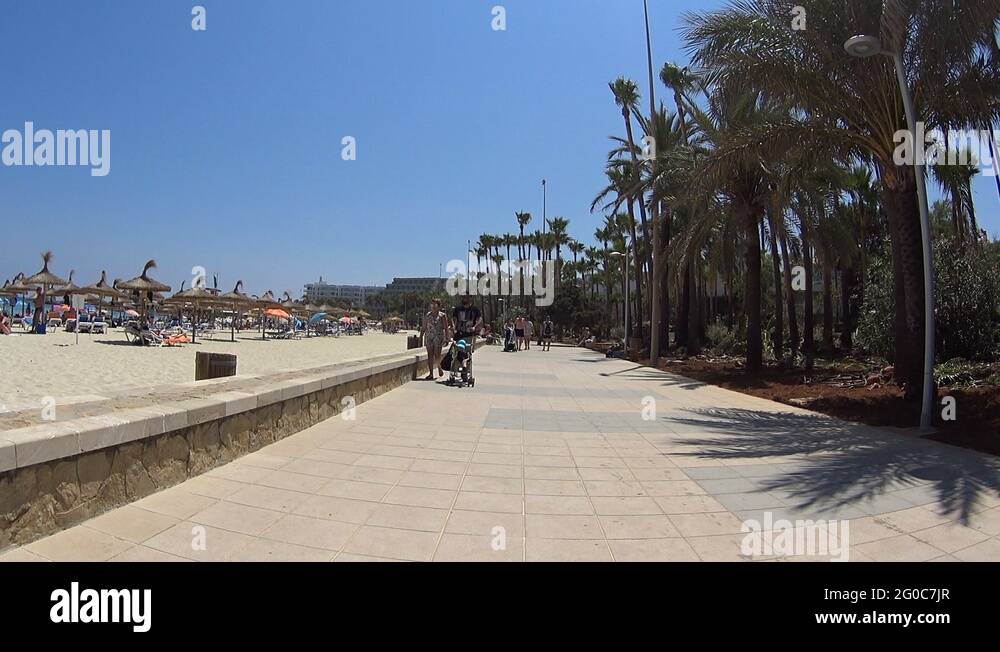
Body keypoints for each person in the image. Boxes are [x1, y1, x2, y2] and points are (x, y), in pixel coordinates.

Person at [420, 298, 450, 380]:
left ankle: (439, 367)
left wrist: (447, 338)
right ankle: (431, 374)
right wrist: (420, 337)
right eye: (432, 304)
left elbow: (446, 328)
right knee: (430, 355)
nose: (433, 306)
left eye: (435, 304)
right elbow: (424, 326)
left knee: (437, 355)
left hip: (438, 337)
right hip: (429, 337)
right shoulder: (427, 315)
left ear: (439, 306)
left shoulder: (442, 315)